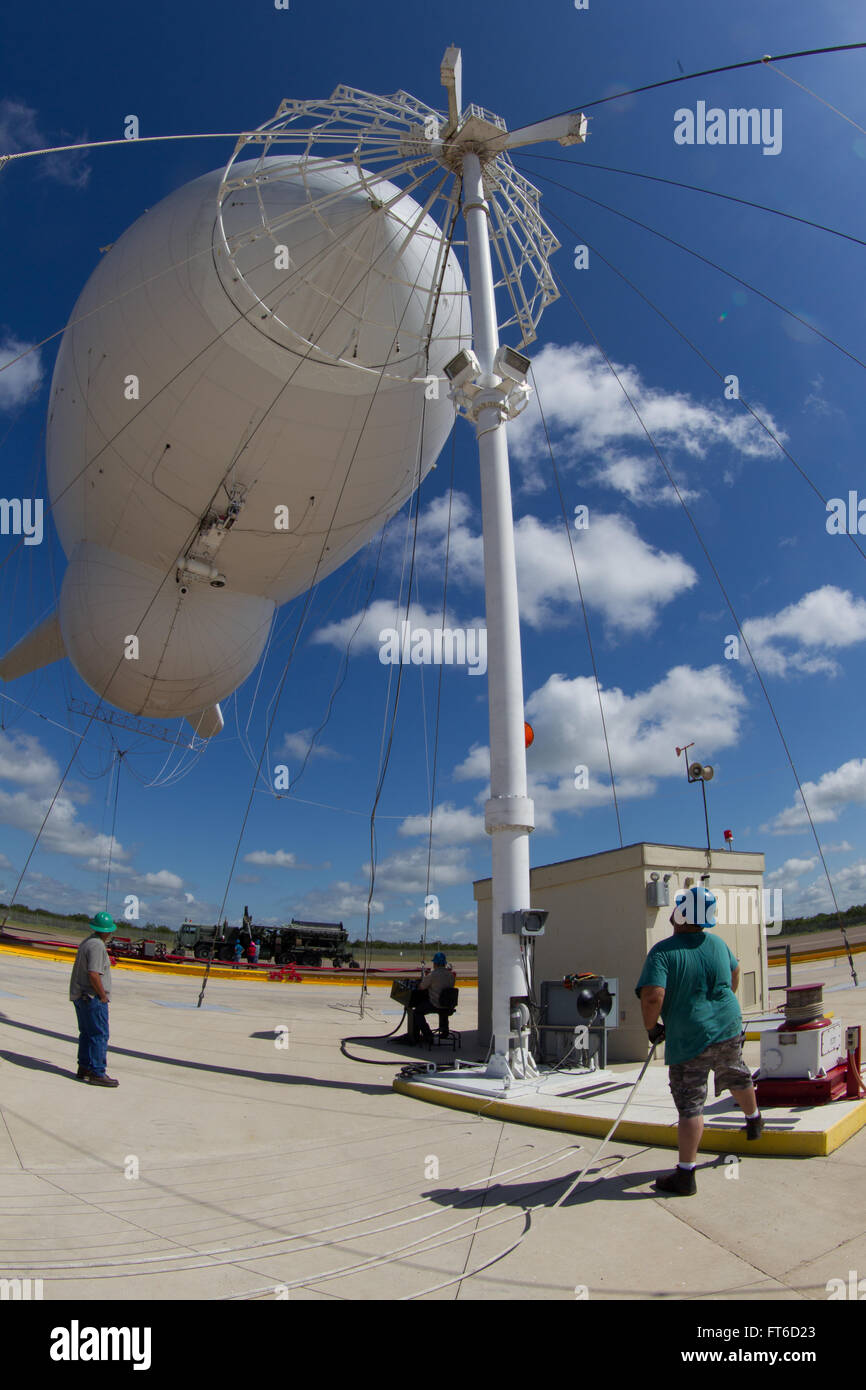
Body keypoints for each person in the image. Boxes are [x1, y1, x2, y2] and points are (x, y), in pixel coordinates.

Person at [636, 884, 763, 1196]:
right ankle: (754, 1120)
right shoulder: (717, 944)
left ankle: (685, 1174)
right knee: (735, 1072)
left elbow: (653, 997)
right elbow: (735, 974)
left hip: (689, 1038)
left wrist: (652, 1029)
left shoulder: (664, 952)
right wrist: (718, 1007)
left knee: (691, 1104)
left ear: (680, 914)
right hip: (728, 1026)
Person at [69, 911, 120, 1087]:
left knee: (86, 1033)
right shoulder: (97, 946)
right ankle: (98, 1072)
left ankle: (84, 1067)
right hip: (93, 998)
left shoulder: (87, 942)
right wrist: (103, 996)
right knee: (99, 1034)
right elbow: (94, 974)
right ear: (106, 931)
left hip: (80, 996)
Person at [410, 951, 456, 1045]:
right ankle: (444, 1031)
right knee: (443, 1007)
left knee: (417, 1012)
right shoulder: (451, 975)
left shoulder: (433, 975)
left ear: (435, 963)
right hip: (448, 1005)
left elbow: (421, 987)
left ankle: (427, 1034)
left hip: (435, 1004)